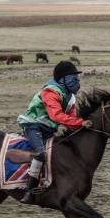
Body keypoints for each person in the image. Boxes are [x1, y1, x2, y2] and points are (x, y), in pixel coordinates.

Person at [16, 60, 92, 203]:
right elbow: (55, 115)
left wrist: (82, 125)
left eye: (77, 78)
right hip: (34, 126)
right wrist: (80, 122)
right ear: (62, 79)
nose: (76, 81)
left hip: (48, 129)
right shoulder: (50, 91)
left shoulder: (70, 98)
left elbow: (71, 118)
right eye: (72, 78)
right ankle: (29, 190)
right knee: (40, 154)